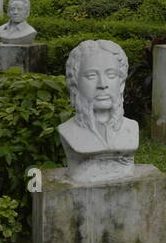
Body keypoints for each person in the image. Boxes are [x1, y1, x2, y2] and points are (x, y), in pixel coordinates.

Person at [57, 40, 138, 183]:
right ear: (75, 84)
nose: (102, 85)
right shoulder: (67, 131)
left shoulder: (131, 128)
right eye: (91, 76)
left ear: (121, 84)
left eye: (111, 75)